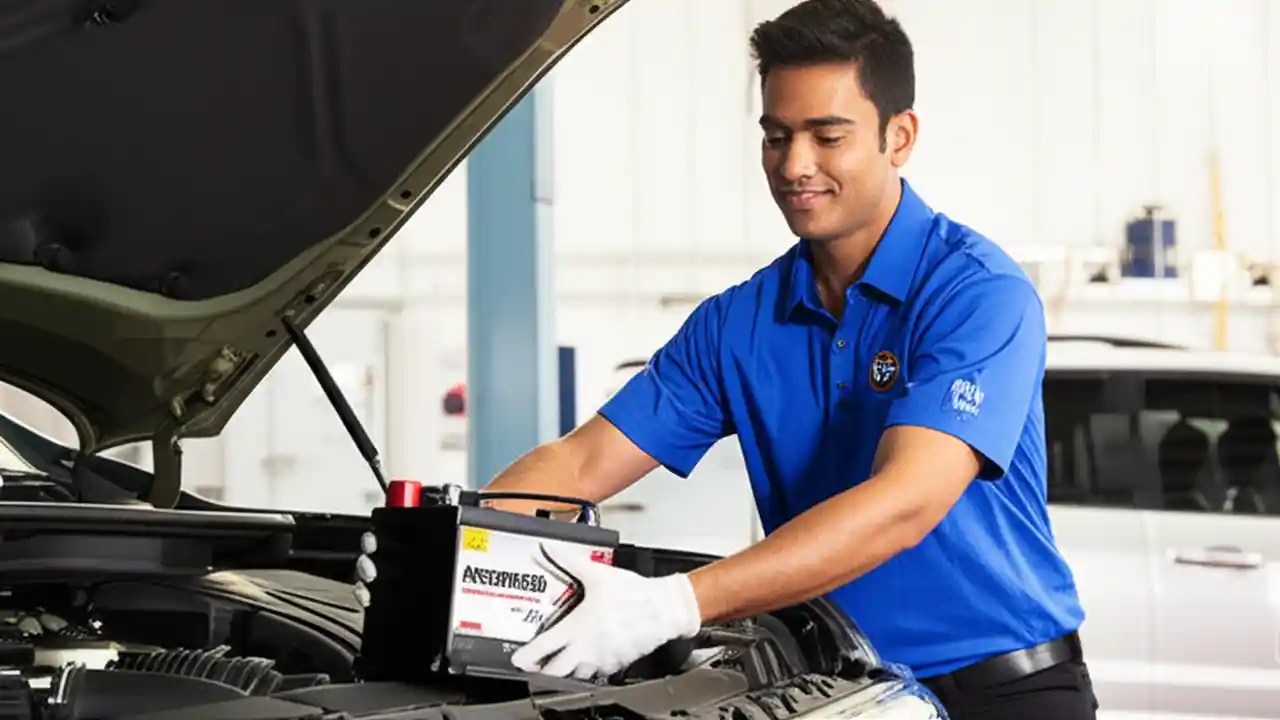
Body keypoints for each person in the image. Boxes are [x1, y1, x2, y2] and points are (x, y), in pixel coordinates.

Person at [358, 0, 1098, 717]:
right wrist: (453, 560)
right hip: (840, 690)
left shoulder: (976, 293)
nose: (794, 165)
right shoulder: (738, 323)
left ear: (898, 136)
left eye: (827, 135)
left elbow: (904, 503)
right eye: (776, 136)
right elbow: (581, 465)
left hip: (1004, 692)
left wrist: (676, 603)